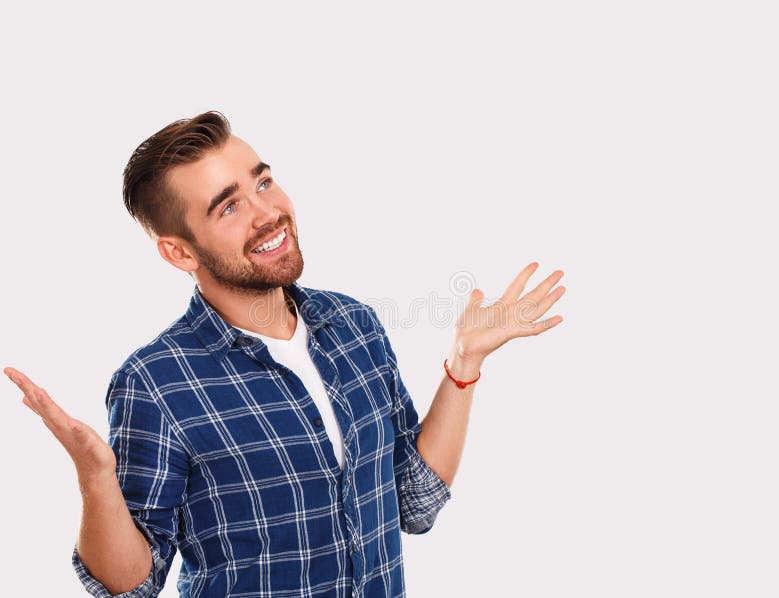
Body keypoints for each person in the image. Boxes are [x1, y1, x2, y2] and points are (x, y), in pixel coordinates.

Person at [3, 111, 566, 597]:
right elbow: (131, 585)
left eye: (263, 182)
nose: (266, 212)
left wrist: (463, 365)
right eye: (228, 208)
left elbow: (413, 502)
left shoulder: (352, 325)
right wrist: (95, 478)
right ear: (178, 252)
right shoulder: (155, 382)